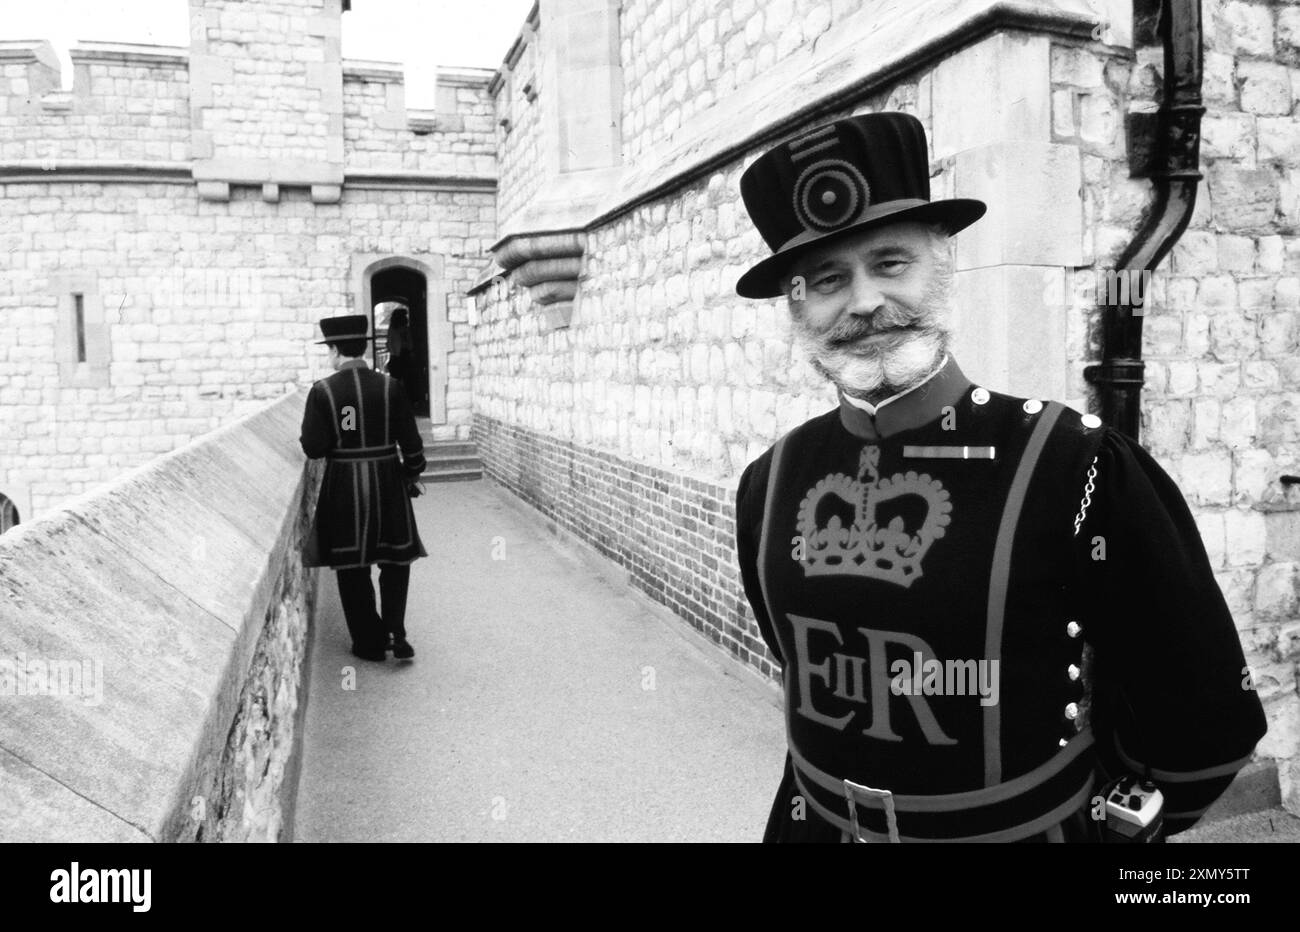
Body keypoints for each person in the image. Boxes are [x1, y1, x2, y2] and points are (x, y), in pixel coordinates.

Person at [731, 112, 1267, 842]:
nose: (862, 302)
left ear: (942, 261)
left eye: (890, 262)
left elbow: (1201, 710)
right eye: (827, 278)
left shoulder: (1075, 461)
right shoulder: (770, 482)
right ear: (798, 305)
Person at [300, 315, 427, 662]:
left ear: (336, 350)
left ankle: (370, 643)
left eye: (329, 349)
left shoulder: (324, 390)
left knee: (353, 566)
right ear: (365, 347)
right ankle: (395, 631)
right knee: (395, 559)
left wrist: (344, 430)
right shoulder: (390, 387)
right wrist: (410, 473)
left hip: (345, 485)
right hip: (388, 481)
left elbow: (313, 447)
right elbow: (412, 445)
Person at [385, 306, 414, 395]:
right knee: (397, 378)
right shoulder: (393, 329)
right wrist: (394, 354)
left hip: (404, 354)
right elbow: (390, 342)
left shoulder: (406, 328)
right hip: (397, 355)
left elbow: (409, 341)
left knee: (407, 378)